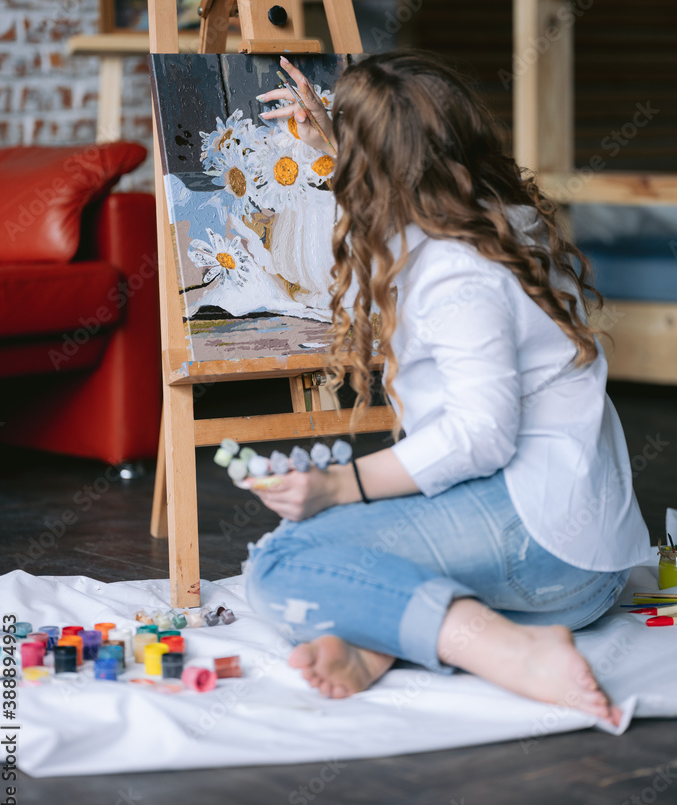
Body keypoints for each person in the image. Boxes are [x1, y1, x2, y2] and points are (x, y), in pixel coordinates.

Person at [243, 51, 651, 725]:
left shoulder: (457, 271)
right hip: (586, 560)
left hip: (545, 546)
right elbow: (398, 200)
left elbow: (482, 436)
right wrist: (335, 148)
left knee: (282, 561)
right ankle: (380, 643)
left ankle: (512, 653)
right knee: (333, 551)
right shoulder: (496, 216)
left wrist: (341, 485)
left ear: (381, 168)